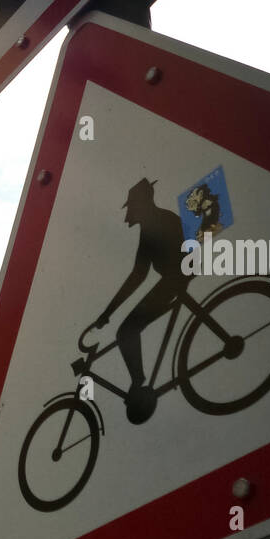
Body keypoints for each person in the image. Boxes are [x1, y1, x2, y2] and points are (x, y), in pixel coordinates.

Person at [94, 178, 190, 420]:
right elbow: (138, 274)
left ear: (143, 203)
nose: (130, 213)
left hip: (175, 279)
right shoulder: (151, 225)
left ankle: (138, 381)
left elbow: (138, 275)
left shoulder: (157, 224)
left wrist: (108, 312)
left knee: (126, 331)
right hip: (175, 277)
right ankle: (139, 381)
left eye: (132, 206)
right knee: (128, 329)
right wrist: (108, 311)